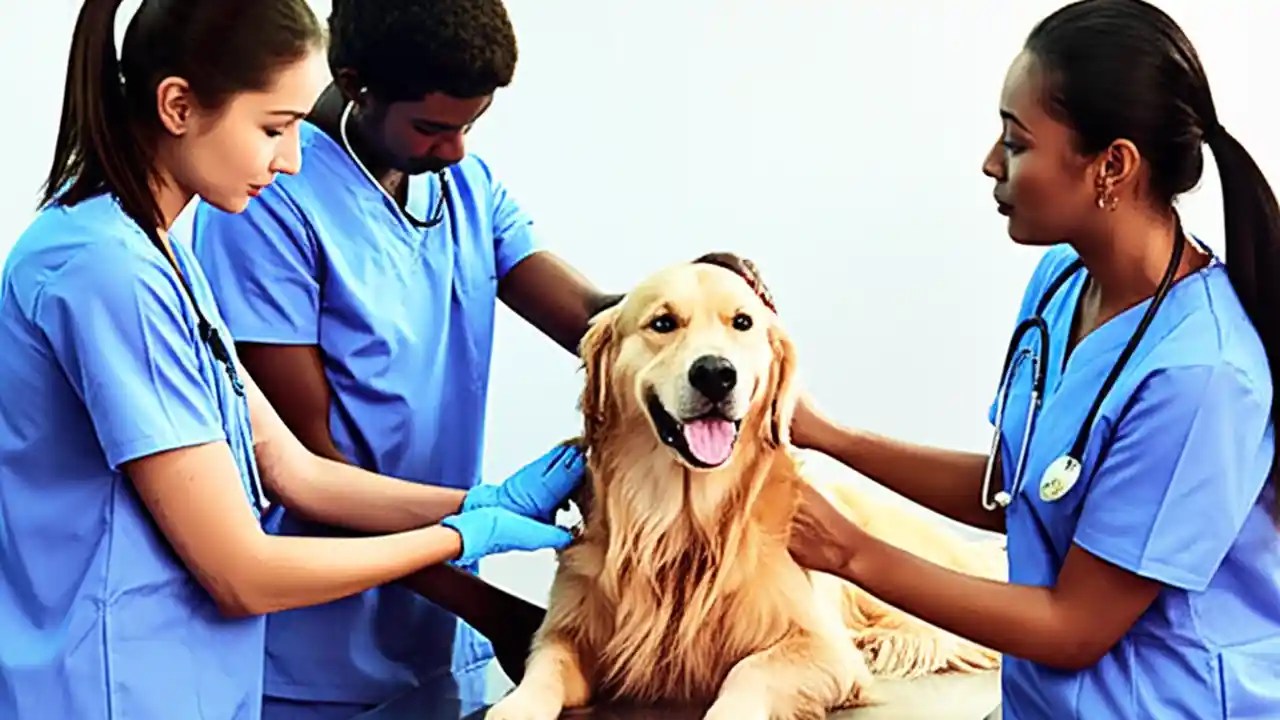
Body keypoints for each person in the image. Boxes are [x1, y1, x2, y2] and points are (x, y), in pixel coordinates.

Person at [0, 1, 585, 718]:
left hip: (191, 685)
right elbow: (241, 572)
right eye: (275, 128)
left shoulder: (161, 256)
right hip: (114, 686)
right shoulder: (105, 272)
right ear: (178, 105)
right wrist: (459, 539)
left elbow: (295, 472)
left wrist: (483, 504)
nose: (292, 159)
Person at [785, 1, 1280, 718]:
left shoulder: (1201, 375)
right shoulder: (1061, 285)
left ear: (1112, 165)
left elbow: (1074, 627)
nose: (991, 162)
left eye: (1016, 143)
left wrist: (848, 551)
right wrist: (827, 436)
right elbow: (1015, 490)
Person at [187, 1, 629, 717]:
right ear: (356, 83)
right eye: (432, 127)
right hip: (315, 659)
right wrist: (493, 609)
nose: (454, 149)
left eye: (468, 127)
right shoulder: (267, 206)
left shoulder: (464, 185)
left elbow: (593, 320)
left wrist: (694, 299)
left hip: (439, 634)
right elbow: (312, 472)